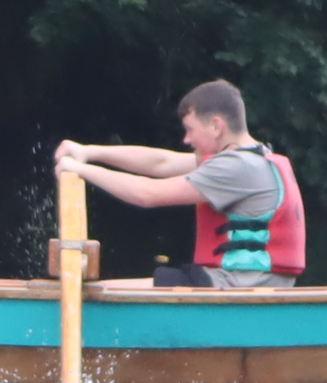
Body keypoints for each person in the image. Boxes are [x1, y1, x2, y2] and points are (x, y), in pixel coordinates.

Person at [57, 79, 309, 287]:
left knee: (102, 292)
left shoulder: (235, 167)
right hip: (240, 283)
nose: (186, 139)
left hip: (234, 287)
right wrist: (89, 152)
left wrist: (81, 170)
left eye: (190, 129)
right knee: (110, 288)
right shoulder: (253, 156)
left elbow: (147, 194)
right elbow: (162, 163)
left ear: (216, 126)